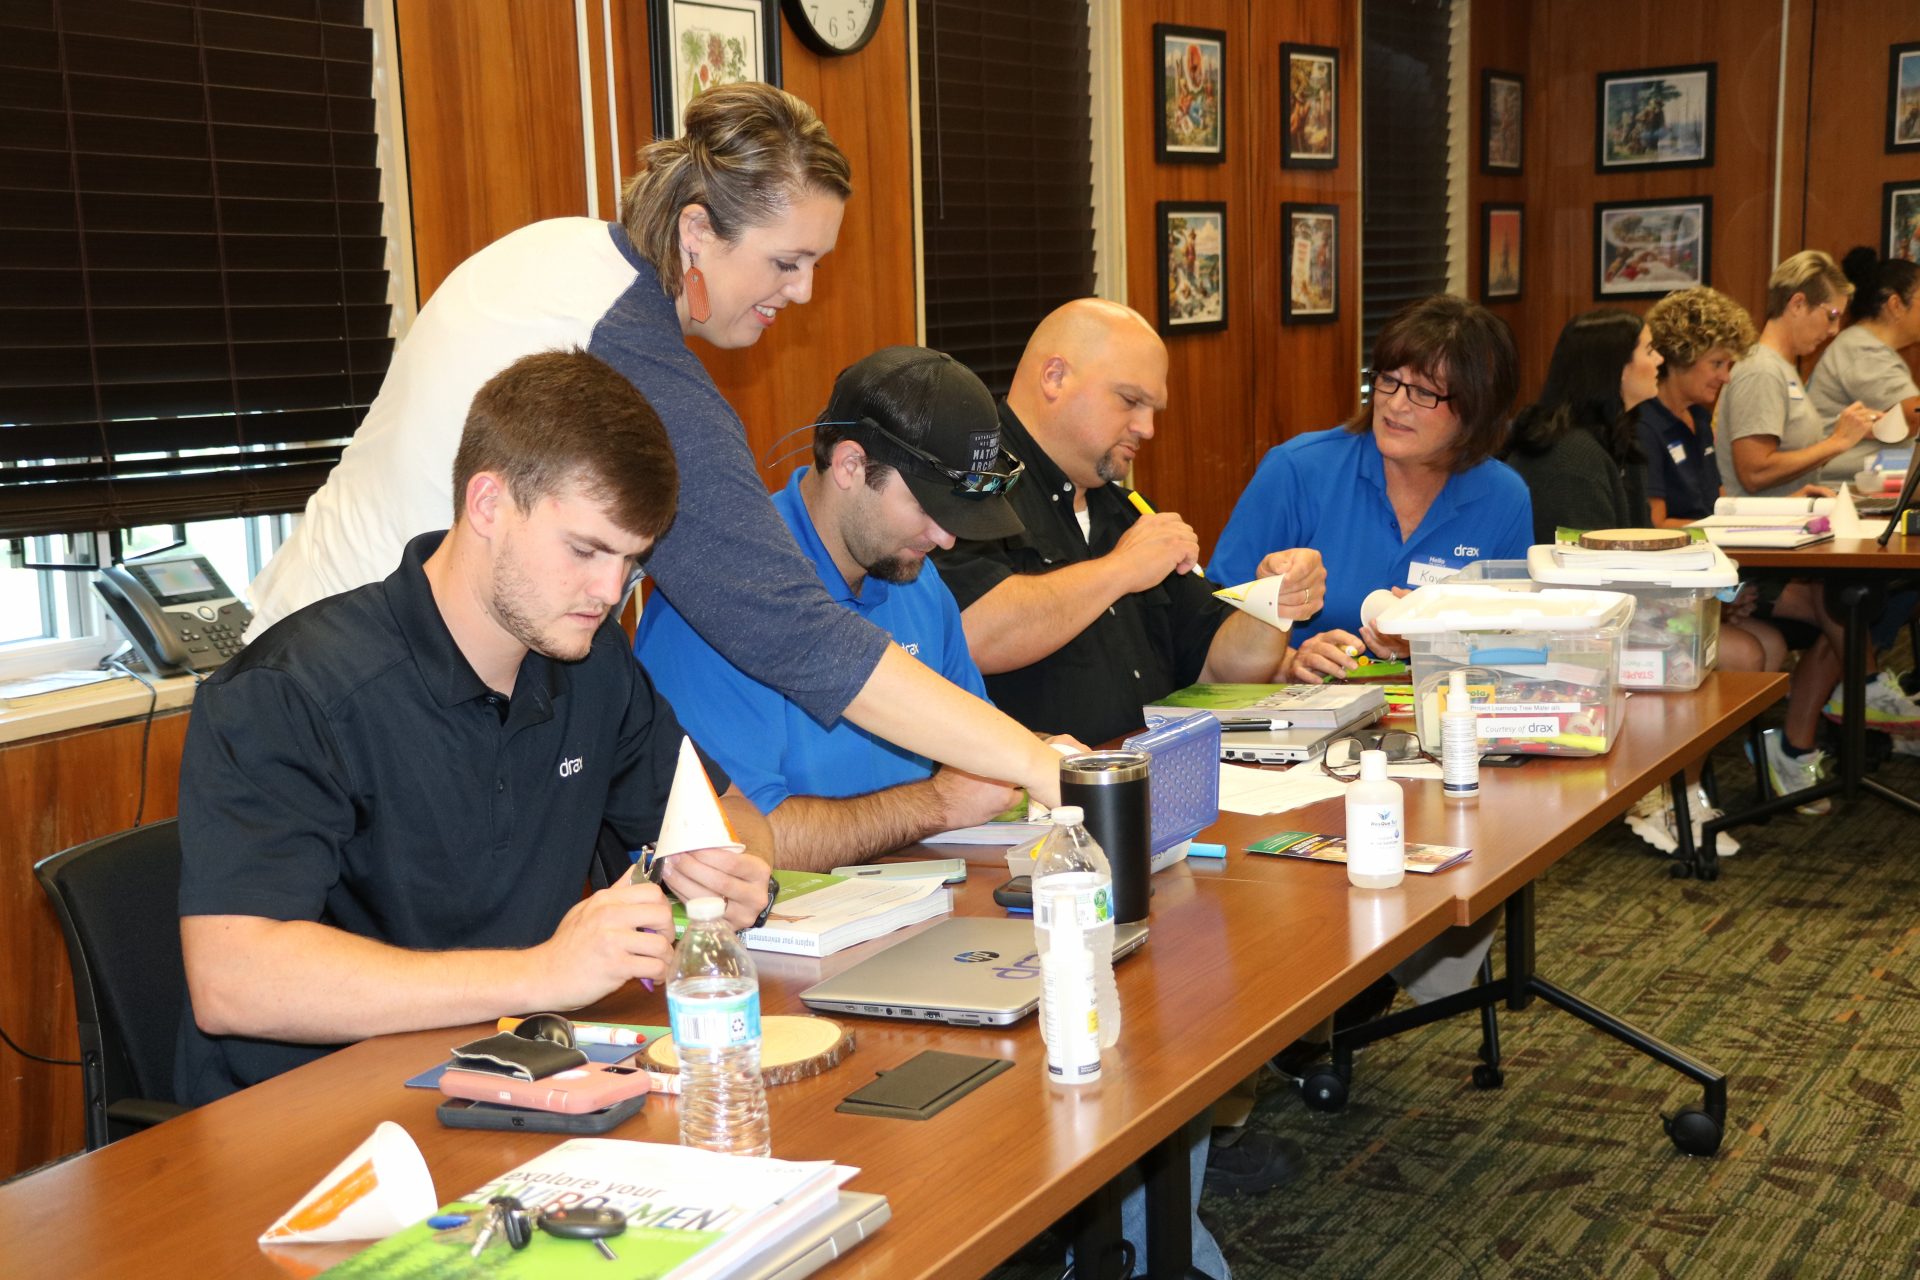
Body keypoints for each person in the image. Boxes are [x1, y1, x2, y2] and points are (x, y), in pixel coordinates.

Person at [243, 83, 1071, 807]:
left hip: (297, 653)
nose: (804, 290)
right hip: (354, 703)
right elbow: (796, 631)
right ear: (696, 232)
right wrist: (1033, 762)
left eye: (815, 262)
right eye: (786, 261)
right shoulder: (631, 362)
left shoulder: (557, 248)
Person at [175, 351, 776, 1106]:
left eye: (632, 561)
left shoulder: (590, 661)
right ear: (488, 504)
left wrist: (733, 867)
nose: (610, 592)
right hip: (314, 1119)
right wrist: (545, 971)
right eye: (586, 550)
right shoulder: (291, 692)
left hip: (519, 1079)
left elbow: (736, 820)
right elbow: (235, 981)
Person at [636, 347, 1029, 871]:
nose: (946, 538)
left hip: (910, 903)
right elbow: (730, 845)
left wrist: (1042, 758)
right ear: (850, 465)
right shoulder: (720, 596)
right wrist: (933, 806)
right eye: (928, 508)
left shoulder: (914, 577)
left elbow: (973, 756)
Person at [931, 299, 1325, 748]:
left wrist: (1274, 604)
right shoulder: (965, 489)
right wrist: (1121, 569)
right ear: (1054, 377)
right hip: (1031, 801)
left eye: (1153, 408)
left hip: (1150, 780)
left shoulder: (1129, 512)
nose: (1148, 428)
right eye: (1130, 401)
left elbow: (1222, 669)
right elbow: (970, 633)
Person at [1211, 294, 1532, 680]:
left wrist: (1436, 643)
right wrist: (1288, 662)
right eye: (1389, 380)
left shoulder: (1503, 498)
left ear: (1477, 409)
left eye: (1424, 393)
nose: (1395, 405)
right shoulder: (1298, 470)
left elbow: (1515, 645)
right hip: (1301, 718)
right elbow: (1212, 626)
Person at [1716, 250, 1880, 498]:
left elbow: (1795, 466)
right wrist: (1836, 442)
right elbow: (1754, 473)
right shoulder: (1761, 370)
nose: (1834, 330)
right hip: (1759, 532)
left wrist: (1848, 433)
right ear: (1798, 304)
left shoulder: (1782, 368)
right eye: (1831, 316)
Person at [1500, 308, 1662, 542]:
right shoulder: (1570, 459)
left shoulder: (1619, 440)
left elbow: (1644, 541)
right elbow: (1590, 569)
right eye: (1649, 351)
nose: (1660, 359)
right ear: (1617, 367)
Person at [1806, 247, 1920, 483]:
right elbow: (1914, 415)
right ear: (1896, 304)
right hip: (1843, 490)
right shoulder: (1863, 350)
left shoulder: (1865, 346)